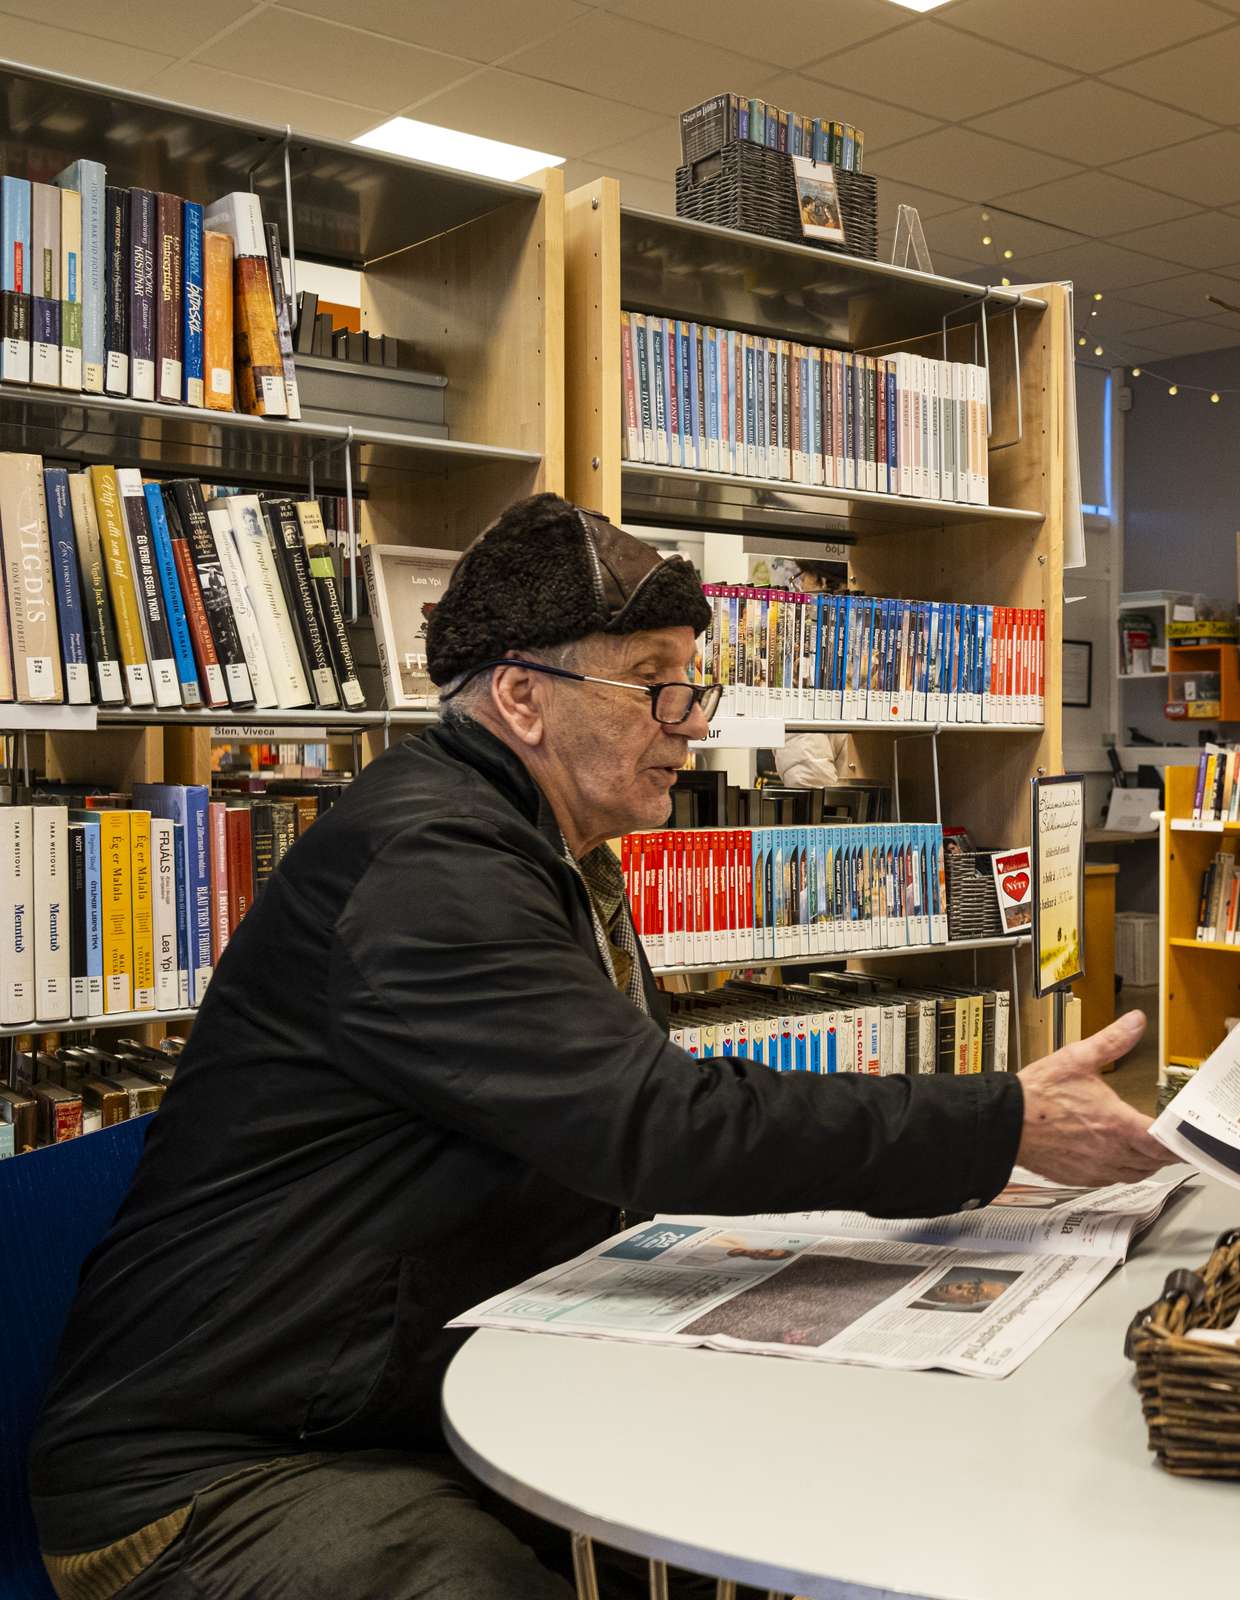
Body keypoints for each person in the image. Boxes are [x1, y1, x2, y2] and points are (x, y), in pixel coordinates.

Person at [31, 495, 1172, 1600]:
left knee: (749, 1506)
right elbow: (654, 1121)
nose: (693, 721)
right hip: (214, 1469)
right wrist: (995, 1122)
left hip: (388, 1399)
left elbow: (625, 1125)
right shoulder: (430, 869)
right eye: (652, 687)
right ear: (523, 696)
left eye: (692, 683)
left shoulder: (554, 849)